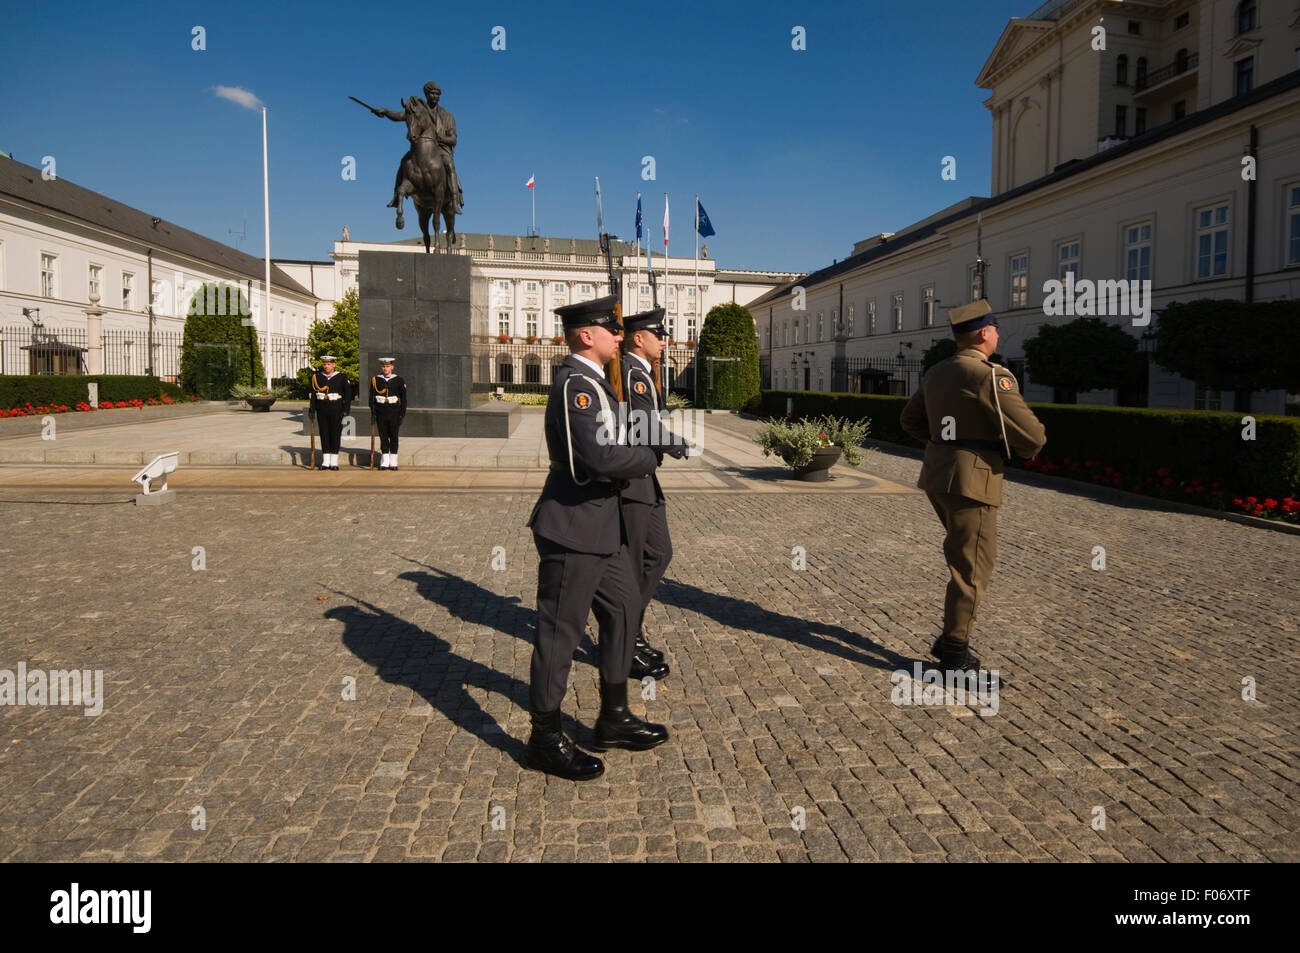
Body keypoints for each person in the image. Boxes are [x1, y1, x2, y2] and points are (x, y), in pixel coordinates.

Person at [524, 294, 687, 781]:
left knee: (623, 608)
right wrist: (650, 458)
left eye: (620, 330)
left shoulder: (597, 383)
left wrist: (645, 447)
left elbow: (622, 437)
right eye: (610, 329)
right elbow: (596, 459)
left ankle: (613, 718)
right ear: (585, 335)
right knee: (560, 634)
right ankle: (544, 738)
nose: (620, 335)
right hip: (574, 526)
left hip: (603, 525)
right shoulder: (576, 384)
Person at [900, 300, 1046, 672]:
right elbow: (1032, 436)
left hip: (939, 476)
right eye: (995, 329)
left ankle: (952, 636)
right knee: (971, 568)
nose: (997, 334)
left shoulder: (937, 371)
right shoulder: (991, 375)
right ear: (984, 333)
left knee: (963, 556)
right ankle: (954, 651)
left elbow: (910, 420)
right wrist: (997, 446)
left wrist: (946, 446)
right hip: (973, 480)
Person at [619, 307, 675, 681]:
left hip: (645, 476)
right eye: (658, 335)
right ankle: (625, 640)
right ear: (639, 338)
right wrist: (678, 442)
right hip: (632, 479)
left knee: (656, 553)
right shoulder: (632, 371)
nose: (664, 341)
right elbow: (643, 427)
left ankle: (629, 635)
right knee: (639, 559)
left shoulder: (642, 372)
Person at [372, 81, 464, 214]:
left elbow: (453, 139)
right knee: (403, 162)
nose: (434, 96)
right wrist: (385, 112)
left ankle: (454, 200)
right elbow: (399, 116)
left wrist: (440, 138)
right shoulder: (418, 110)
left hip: (441, 149)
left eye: (437, 94)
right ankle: (395, 198)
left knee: (449, 164)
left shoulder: (447, 116)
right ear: (426, 94)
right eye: (432, 93)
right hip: (420, 150)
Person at [309, 355, 352, 471]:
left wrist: (346, 410)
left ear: (334, 365)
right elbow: (313, 395)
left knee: (335, 434)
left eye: (328, 364)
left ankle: (334, 461)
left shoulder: (341, 377)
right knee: (324, 434)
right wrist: (312, 409)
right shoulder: (317, 377)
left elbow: (347, 395)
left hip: (336, 409)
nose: (326, 366)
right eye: (324, 364)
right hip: (322, 409)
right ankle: (326, 461)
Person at [369, 357, 406, 471]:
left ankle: (393, 460)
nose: (385, 368)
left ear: (392, 367)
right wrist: (373, 411)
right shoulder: (376, 380)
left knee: (393, 436)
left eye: (387, 366)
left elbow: (403, 399)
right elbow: (372, 397)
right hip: (380, 411)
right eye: (383, 366)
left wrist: (402, 413)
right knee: (383, 435)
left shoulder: (399, 380)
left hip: (394, 411)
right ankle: (385, 460)